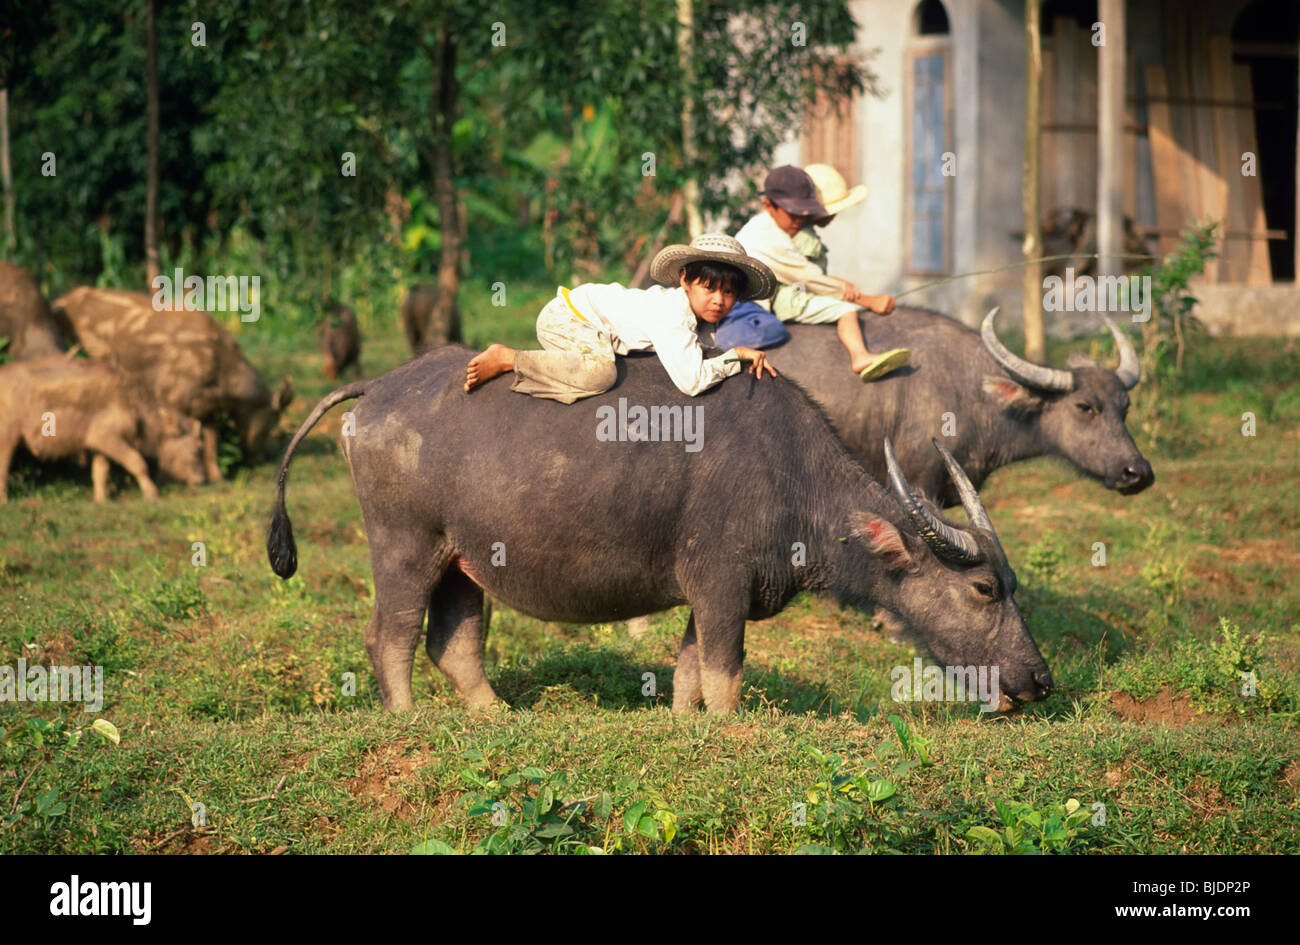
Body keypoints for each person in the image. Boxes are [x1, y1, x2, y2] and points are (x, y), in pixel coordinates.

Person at [464, 234, 778, 402]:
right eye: (709, 288)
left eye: (728, 293)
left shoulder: (697, 320)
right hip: (570, 317)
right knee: (601, 373)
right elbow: (692, 381)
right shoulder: (672, 314)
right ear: (685, 280)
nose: (718, 301)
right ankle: (509, 358)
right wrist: (736, 357)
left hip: (591, 320)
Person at [735, 164, 910, 381]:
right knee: (845, 309)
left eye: (803, 212)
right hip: (764, 303)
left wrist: (831, 283)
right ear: (770, 206)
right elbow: (806, 278)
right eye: (794, 213)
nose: (799, 218)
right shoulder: (769, 238)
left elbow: (804, 274)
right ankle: (860, 355)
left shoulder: (780, 229)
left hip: (786, 290)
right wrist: (867, 300)